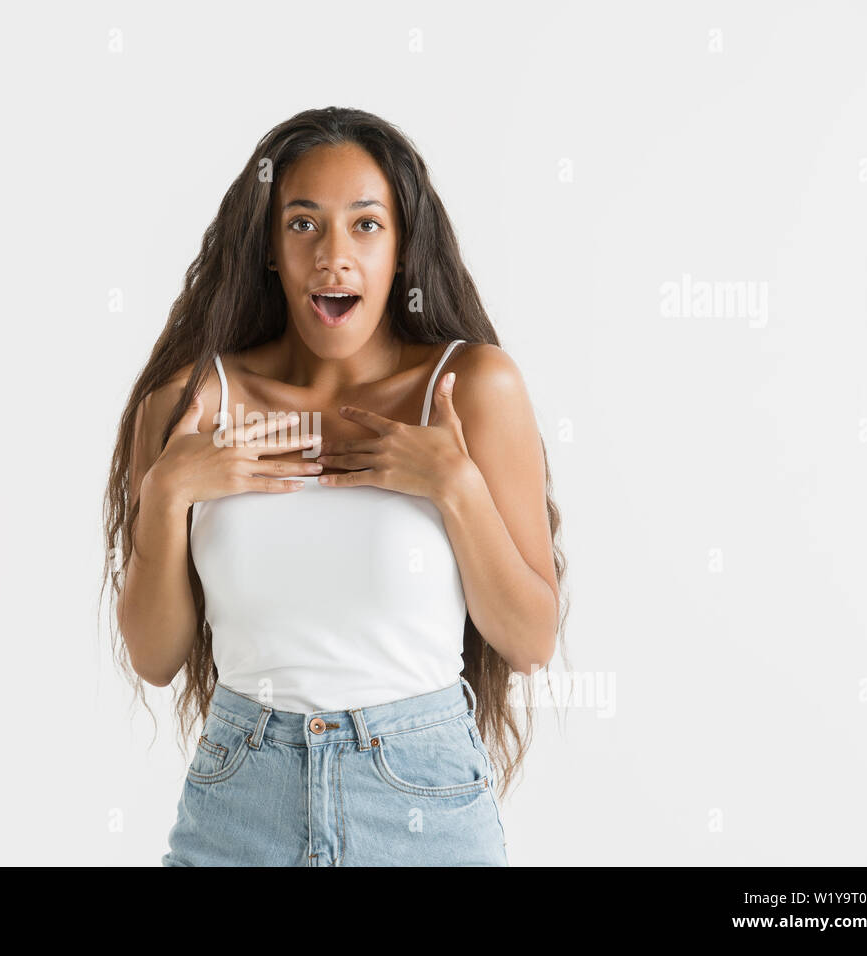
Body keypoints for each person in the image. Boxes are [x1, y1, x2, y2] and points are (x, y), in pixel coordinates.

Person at [103, 106, 568, 866]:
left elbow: (529, 640)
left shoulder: (472, 388)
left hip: (419, 799)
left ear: (402, 249)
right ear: (268, 251)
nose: (333, 257)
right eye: (303, 225)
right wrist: (164, 497)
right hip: (240, 800)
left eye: (365, 225)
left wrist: (454, 484)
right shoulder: (191, 405)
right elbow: (155, 658)